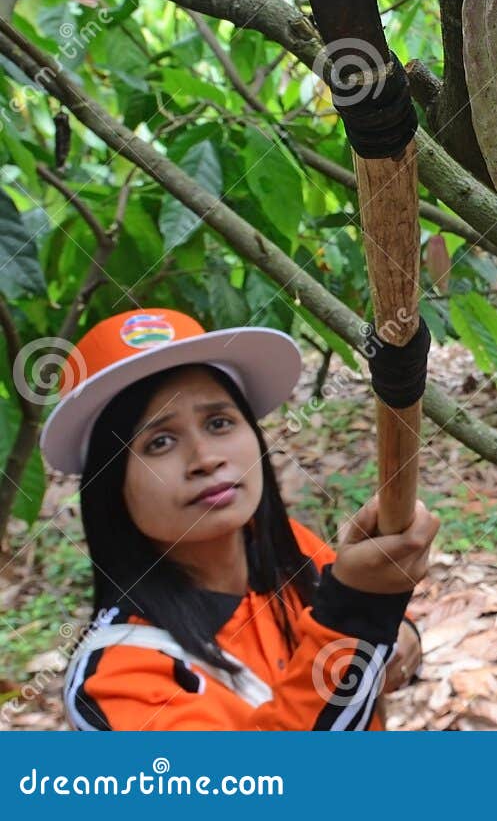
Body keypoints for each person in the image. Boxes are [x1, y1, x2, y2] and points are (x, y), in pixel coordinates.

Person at [38, 308, 438, 730]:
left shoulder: (285, 550)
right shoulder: (117, 684)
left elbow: (358, 633)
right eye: (160, 442)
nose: (206, 459)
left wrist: (398, 635)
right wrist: (363, 609)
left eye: (219, 422)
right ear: (111, 488)